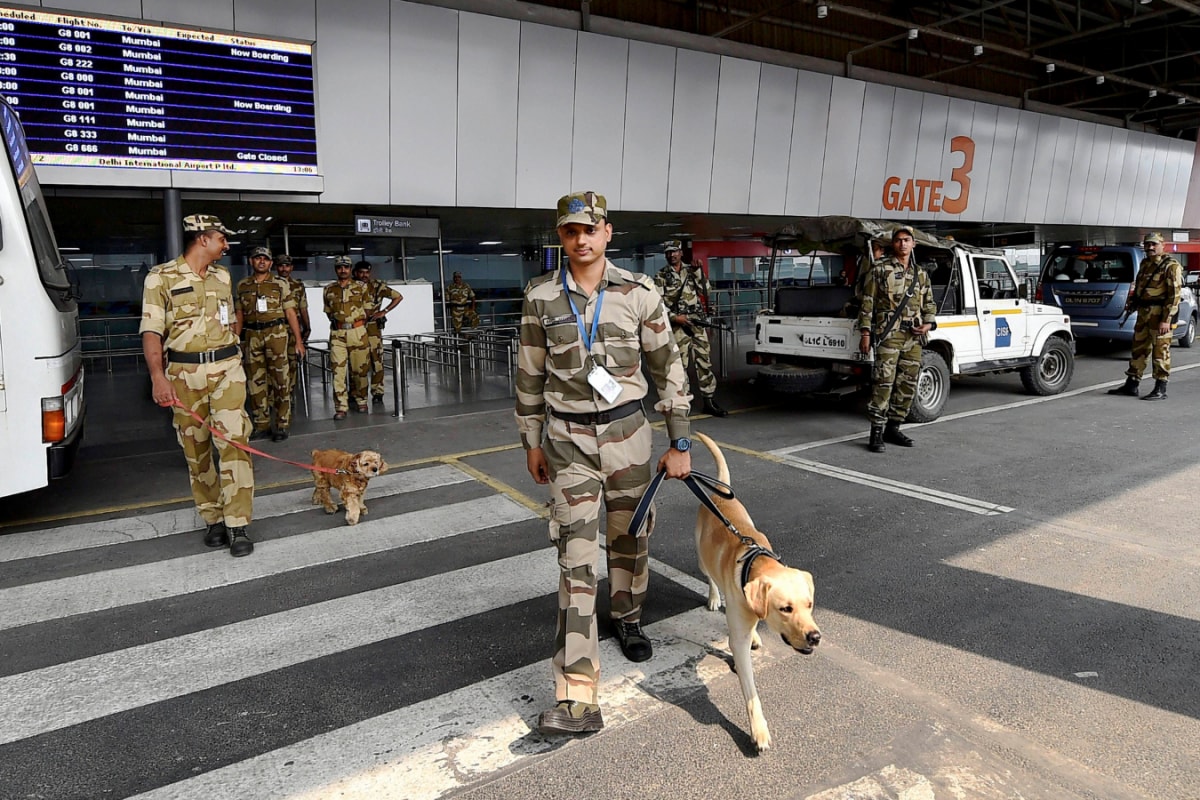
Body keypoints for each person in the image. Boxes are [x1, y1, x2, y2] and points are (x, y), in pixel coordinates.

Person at [516, 191, 692, 736]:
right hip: (568, 441)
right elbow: (529, 375)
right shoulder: (541, 297)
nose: (580, 240)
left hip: (630, 437)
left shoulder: (639, 292)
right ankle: (576, 697)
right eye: (570, 232)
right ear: (562, 238)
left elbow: (668, 367)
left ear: (607, 232)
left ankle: (630, 618)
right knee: (574, 562)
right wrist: (531, 441)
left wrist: (679, 441)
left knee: (630, 540)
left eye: (589, 230)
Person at [139, 214, 255, 557]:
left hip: (226, 369)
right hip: (184, 373)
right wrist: (158, 377)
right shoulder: (160, 278)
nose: (227, 245)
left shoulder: (222, 275)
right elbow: (151, 331)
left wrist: (232, 341)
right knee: (197, 449)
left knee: (235, 443)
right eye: (222, 238)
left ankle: (238, 524)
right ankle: (213, 519)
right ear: (202, 239)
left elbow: (229, 314)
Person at [857, 225, 937, 453]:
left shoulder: (921, 274)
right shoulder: (880, 270)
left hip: (913, 338)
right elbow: (868, 302)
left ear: (914, 244)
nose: (903, 244)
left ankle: (894, 427)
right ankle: (876, 432)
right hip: (888, 335)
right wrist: (865, 333)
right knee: (883, 383)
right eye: (899, 240)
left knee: (907, 384)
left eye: (907, 240)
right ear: (893, 244)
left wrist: (929, 323)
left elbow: (929, 303)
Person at [235, 247, 305, 442]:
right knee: (255, 382)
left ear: (270, 263)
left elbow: (291, 313)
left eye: (265, 259)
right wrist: (235, 339)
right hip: (252, 335)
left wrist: (298, 341)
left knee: (281, 380)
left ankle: (282, 424)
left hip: (277, 335)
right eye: (258, 259)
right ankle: (262, 424)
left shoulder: (280, 284)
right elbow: (239, 314)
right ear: (251, 261)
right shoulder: (242, 285)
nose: (261, 262)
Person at [653, 240, 728, 417]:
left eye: (675, 252)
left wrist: (698, 272)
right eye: (669, 252)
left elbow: (706, 292)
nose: (672, 255)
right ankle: (683, 402)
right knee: (680, 366)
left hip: (696, 323)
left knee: (704, 362)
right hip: (678, 326)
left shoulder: (691, 270)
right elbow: (657, 304)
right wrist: (674, 317)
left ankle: (708, 400)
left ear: (681, 253)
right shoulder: (661, 276)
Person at [1108, 232, 1183, 401]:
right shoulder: (1145, 263)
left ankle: (1160, 387)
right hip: (1144, 313)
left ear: (1162, 245)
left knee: (1160, 350)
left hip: (1160, 314)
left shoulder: (1171, 266)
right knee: (1138, 349)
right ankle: (1132, 383)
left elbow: (1174, 295)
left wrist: (1166, 320)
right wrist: (1133, 303)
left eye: (1154, 244)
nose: (1150, 247)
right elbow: (1141, 287)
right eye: (1147, 244)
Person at [323, 255, 373, 419]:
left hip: (357, 332)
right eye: (339, 267)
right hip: (338, 333)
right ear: (335, 269)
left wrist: (355, 323)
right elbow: (329, 312)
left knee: (360, 370)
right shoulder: (329, 289)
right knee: (338, 371)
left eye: (346, 267)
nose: (343, 270)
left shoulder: (362, 287)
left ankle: (361, 399)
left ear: (351, 269)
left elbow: (368, 310)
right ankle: (341, 406)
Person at [353, 261, 404, 404]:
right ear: (355, 272)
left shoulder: (377, 286)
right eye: (361, 272)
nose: (364, 275)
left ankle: (377, 392)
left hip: (373, 328)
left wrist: (384, 311)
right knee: (356, 362)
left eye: (366, 272)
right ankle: (356, 392)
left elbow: (398, 296)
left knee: (377, 361)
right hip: (355, 329)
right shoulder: (350, 287)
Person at [274, 253, 311, 401]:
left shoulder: (298, 286)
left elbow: (303, 308)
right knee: (275, 363)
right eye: (281, 265)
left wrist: (307, 327)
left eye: (287, 266)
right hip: (275, 330)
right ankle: (275, 397)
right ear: (276, 267)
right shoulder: (271, 283)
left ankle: (289, 394)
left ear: (292, 267)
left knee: (292, 363)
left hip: (292, 330)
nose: (284, 269)